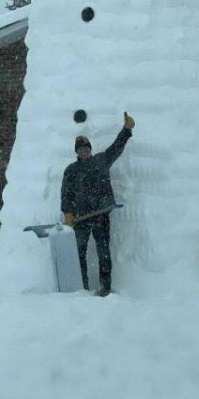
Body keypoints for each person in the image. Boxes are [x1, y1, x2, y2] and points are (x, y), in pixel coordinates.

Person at [60, 112, 135, 296]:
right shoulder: (71, 170)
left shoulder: (101, 161)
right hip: (80, 220)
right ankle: (82, 287)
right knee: (79, 254)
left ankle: (105, 287)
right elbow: (66, 194)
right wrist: (67, 213)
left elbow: (116, 148)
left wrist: (126, 130)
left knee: (104, 253)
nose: (84, 151)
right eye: (81, 149)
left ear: (90, 149)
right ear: (76, 151)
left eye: (86, 148)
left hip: (101, 215)